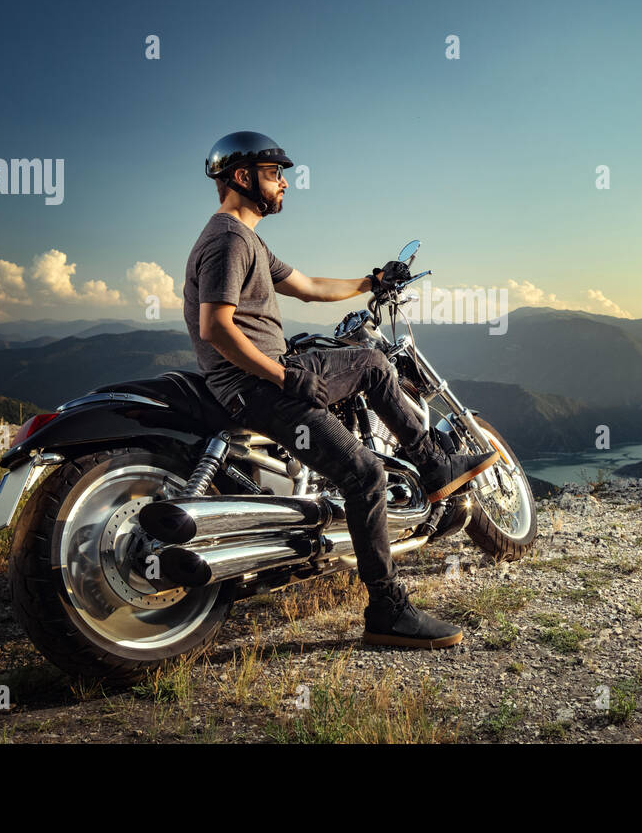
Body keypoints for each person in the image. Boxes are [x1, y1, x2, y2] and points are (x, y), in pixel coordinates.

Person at [183, 130, 498, 649]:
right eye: (274, 172)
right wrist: (284, 377)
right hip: (259, 385)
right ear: (243, 177)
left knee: (371, 365)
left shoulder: (248, 240)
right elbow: (216, 326)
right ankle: (387, 609)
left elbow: (308, 287)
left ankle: (432, 466)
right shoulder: (228, 240)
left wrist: (372, 280)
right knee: (364, 470)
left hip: (264, 376)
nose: (285, 182)